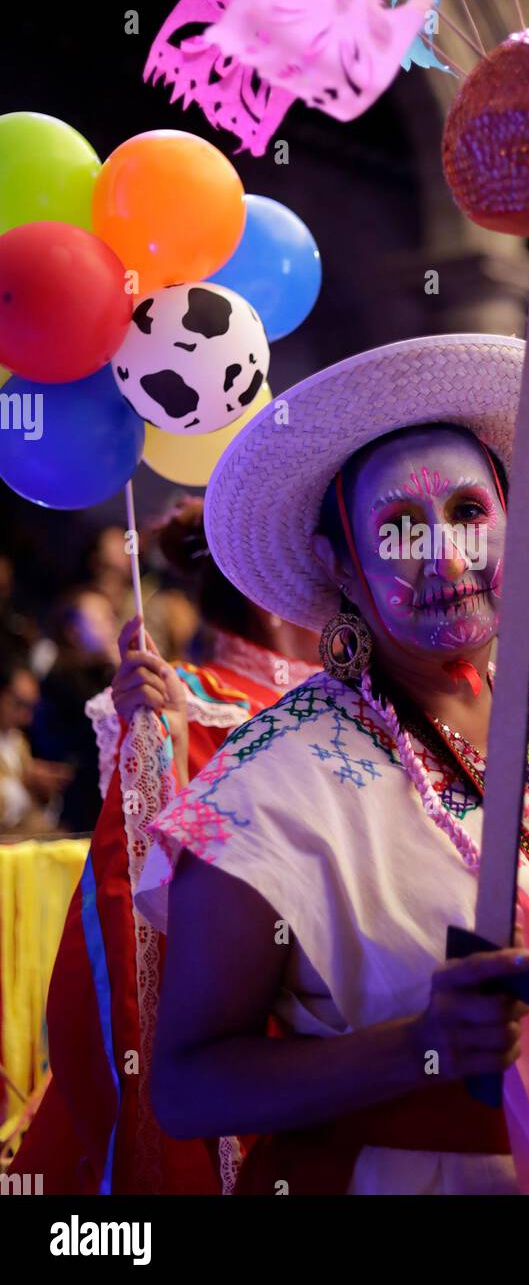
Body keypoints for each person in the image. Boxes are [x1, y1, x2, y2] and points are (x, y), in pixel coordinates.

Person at [133, 334, 529, 1197]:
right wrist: (417, 1047)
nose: (444, 557)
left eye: (470, 511)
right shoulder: (266, 789)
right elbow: (185, 1088)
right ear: (339, 569)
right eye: (398, 527)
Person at [9, 498, 320, 1194]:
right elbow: (140, 903)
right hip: (262, 1033)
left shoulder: (355, 701)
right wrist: (164, 749)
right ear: (273, 593)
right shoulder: (190, 698)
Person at [29, 588, 119, 832]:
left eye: (112, 616)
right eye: (101, 619)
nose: (112, 625)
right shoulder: (58, 681)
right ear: (73, 631)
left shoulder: (103, 673)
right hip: (79, 805)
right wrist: (120, 672)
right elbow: (95, 735)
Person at [0, 662, 71, 834]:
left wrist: (44, 790)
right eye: (19, 704)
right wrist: (26, 781)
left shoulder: (18, 741)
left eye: (31, 707)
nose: (27, 718)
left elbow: (36, 813)